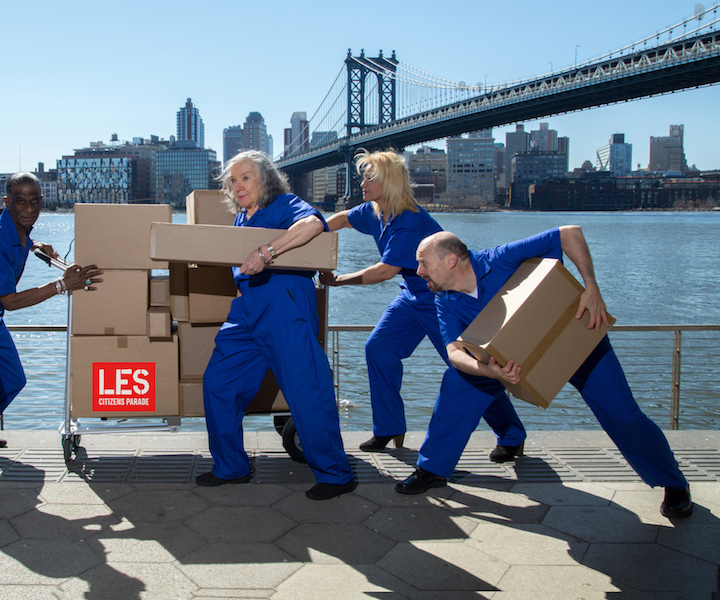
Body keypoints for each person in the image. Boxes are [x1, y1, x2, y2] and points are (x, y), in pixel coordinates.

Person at [399, 226, 693, 519]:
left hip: (575, 341)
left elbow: (569, 233)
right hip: (510, 360)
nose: (419, 269)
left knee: (625, 416)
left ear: (450, 260)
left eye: (423, 262)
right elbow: (453, 352)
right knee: (459, 382)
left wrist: (591, 287)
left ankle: (674, 483)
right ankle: (432, 468)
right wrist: (489, 371)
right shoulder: (444, 299)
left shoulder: (501, 258)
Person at [320, 150, 525, 460]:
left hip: (443, 299)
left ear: (388, 183)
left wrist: (339, 280)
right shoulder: (374, 211)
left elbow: (383, 272)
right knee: (378, 348)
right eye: (363, 176)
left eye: (370, 177)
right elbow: (342, 219)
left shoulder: (408, 222)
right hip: (413, 294)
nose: (362, 182)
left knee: (472, 370)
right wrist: (313, 234)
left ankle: (511, 435)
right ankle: (388, 427)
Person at [197, 150, 356, 501]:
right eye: (232, 181)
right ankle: (231, 467)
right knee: (218, 383)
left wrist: (268, 251)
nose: (238, 186)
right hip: (246, 312)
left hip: (285, 305)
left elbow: (315, 224)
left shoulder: (284, 204)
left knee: (306, 390)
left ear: (265, 179)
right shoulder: (241, 218)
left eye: (246, 178)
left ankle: (335, 473)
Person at [0, 172, 101, 496]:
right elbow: (10, 302)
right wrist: (62, 284)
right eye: (20, 201)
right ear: (6, 203)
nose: (29, 208)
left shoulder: (18, 230)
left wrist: (39, 247)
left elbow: (15, 236)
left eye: (34, 201)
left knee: (13, 380)